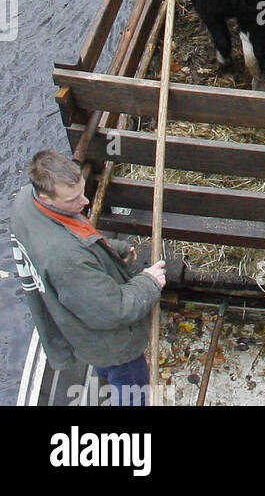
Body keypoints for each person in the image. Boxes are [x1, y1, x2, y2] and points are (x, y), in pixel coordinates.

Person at [9, 150, 165, 406]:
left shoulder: (25, 202)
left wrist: (111, 251)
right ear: (47, 196)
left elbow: (80, 241)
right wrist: (149, 282)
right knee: (131, 388)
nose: (84, 202)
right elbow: (115, 310)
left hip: (75, 325)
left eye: (82, 191)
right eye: (73, 199)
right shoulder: (67, 261)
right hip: (111, 345)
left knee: (107, 370)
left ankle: (105, 377)